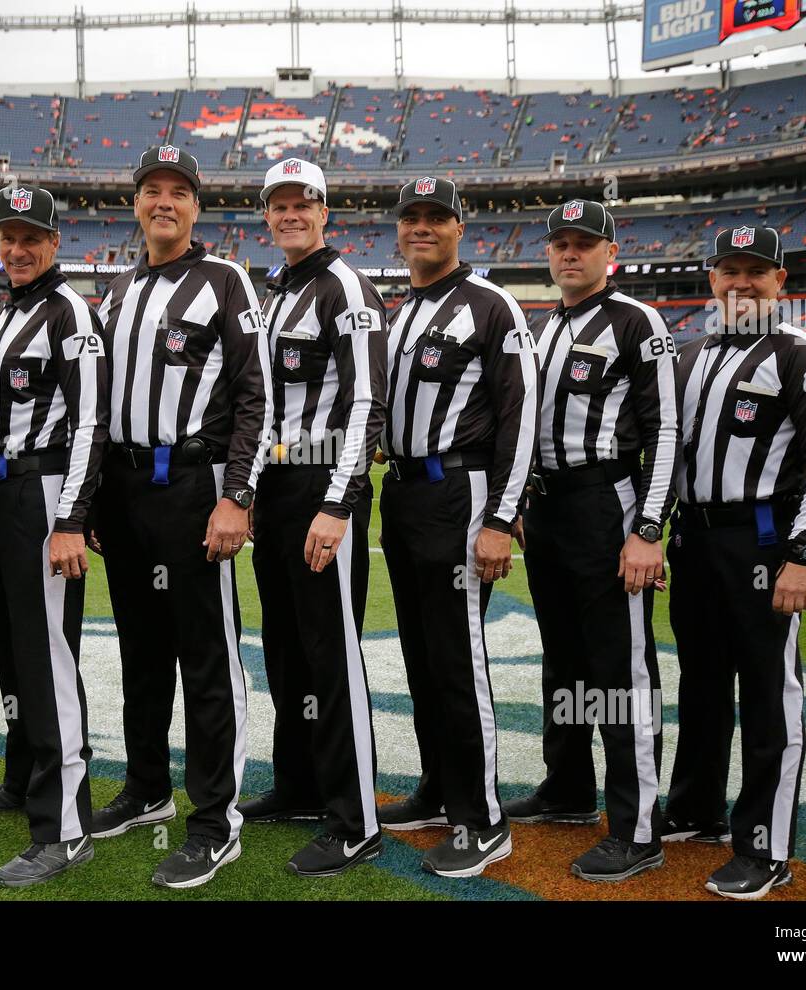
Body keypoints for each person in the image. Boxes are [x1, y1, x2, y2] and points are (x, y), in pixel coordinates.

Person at [88, 146, 273, 889]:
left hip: (194, 485)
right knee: (139, 651)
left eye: (179, 192)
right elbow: (97, 405)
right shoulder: (116, 290)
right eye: (151, 190)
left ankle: (215, 821)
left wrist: (237, 496)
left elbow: (256, 396)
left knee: (206, 657)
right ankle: (146, 788)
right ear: (135, 203)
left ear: (197, 206)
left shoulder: (225, 280)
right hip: (126, 489)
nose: (164, 202)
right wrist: (95, 498)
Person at [665, 226, 806, 899]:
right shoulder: (692, 353)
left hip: (762, 540)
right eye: (729, 270)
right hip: (694, 539)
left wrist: (804, 553)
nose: (741, 283)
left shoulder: (799, 351)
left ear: (780, 282)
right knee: (702, 682)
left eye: (756, 271)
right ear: (712, 278)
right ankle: (696, 807)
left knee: (771, 692)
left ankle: (765, 844)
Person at [510, 199, 678, 883]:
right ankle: (569, 787)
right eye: (560, 244)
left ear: (612, 252)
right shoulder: (545, 325)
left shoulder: (636, 321)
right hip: (549, 509)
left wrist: (648, 529)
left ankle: (637, 828)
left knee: (621, 669)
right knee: (565, 660)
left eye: (584, 243)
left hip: (606, 501)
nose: (570, 253)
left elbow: (665, 430)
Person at [376, 176, 538, 878]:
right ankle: (439, 788)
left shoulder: (491, 304)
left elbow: (521, 417)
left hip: (459, 491)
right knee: (422, 655)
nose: (422, 227)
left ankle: (483, 819)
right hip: (405, 492)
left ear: (459, 228)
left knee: (458, 659)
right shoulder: (403, 310)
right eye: (411, 217)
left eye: (436, 217)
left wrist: (501, 515)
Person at [0, 183, 109, 887]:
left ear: (54, 242)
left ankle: (65, 827)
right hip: (4, 491)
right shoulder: (7, 312)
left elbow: (90, 424)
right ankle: (22, 779)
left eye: (30, 238)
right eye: (7, 237)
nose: (17, 249)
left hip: (45, 492)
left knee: (47, 658)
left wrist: (71, 519)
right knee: (13, 651)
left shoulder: (68, 310)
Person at [239, 158, 388, 877]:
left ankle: (356, 819)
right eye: (280, 204)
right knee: (286, 647)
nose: (291, 214)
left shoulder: (344, 287)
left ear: (326, 213)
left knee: (331, 654)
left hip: (320, 483)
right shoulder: (278, 291)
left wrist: (338, 500)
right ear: (267, 215)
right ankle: (299, 783)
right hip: (275, 484)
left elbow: (366, 402)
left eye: (305, 203)